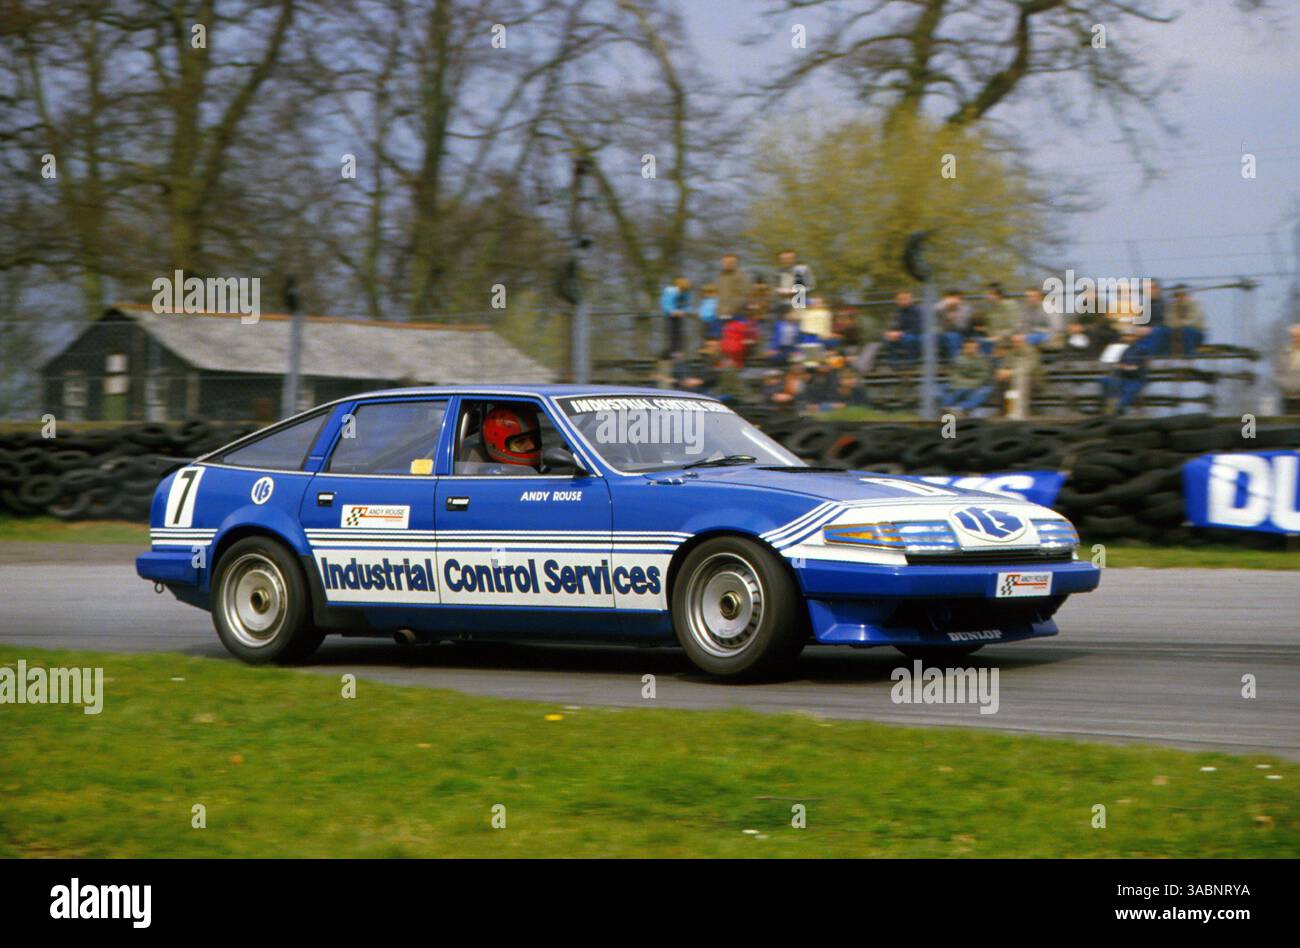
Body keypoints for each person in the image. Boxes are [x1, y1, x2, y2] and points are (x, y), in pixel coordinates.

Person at [1101, 331, 1150, 414]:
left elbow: (1136, 367)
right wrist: (1119, 366)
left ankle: (1118, 409)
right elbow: (1120, 364)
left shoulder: (1141, 349)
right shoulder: (1125, 350)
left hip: (1136, 378)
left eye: (1129, 336)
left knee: (1130, 389)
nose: (1125, 338)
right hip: (1123, 376)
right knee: (1105, 380)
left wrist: (1123, 367)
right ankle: (1108, 405)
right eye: (1125, 336)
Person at [997, 333, 1044, 419]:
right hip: (1014, 379)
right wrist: (1002, 371)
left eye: (1019, 341)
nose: (1016, 344)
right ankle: (1011, 412)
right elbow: (1005, 366)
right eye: (1014, 342)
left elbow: (1029, 368)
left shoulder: (1032, 352)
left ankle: (1020, 412)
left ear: (1025, 342)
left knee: (1021, 379)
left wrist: (1012, 372)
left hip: (1032, 379)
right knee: (1007, 382)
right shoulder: (1011, 352)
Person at [482, 405, 541, 470]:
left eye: (533, 438)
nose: (532, 446)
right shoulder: (492, 478)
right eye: (521, 442)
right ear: (496, 446)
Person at [944, 338, 994, 414]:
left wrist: (970, 385)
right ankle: (945, 408)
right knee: (951, 390)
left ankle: (961, 408)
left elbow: (983, 377)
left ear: (977, 349)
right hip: (960, 385)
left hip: (976, 386)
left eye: (973, 348)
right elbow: (955, 375)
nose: (971, 350)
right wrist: (965, 385)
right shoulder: (958, 359)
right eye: (968, 348)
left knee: (983, 392)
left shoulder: (983, 360)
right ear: (964, 348)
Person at [883, 290, 923, 365]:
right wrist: (889, 333)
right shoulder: (896, 312)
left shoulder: (917, 311)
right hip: (899, 336)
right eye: (900, 299)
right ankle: (894, 364)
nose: (903, 301)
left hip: (913, 335)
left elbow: (917, 328)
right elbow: (890, 326)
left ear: (911, 299)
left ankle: (911, 363)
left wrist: (900, 333)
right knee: (887, 339)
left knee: (909, 339)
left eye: (905, 298)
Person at [1168, 284, 1207, 355]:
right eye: (1176, 296)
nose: (1179, 298)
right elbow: (1169, 322)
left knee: (1187, 331)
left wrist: (1178, 324)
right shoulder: (1171, 306)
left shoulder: (1195, 304)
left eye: (1182, 295)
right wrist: (1180, 324)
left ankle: (1188, 356)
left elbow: (1192, 322)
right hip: (1176, 333)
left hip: (1195, 333)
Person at [659, 277, 692, 360]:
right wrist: (672, 311)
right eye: (683, 290)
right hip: (670, 316)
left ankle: (678, 351)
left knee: (679, 332)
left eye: (685, 290)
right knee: (672, 333)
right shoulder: (670, 292)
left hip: (679, 315)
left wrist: (684, 311)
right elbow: (665, 304)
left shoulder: (686, 293)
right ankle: (671, 352)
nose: (684, 292)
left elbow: (687, 305)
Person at [936, 288, 971, 360]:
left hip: (959, 333)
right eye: (950, 298)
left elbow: (962, 327)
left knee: (952, 337)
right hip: (942, 333)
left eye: (956, 298)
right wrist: (945, 305)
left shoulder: (965, 309)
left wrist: (954, 320)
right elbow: (935, 309)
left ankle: (954, 363)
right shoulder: (941, 307)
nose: (953, 301)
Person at [716, 254, 751, 323]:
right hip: (721, 314)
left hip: (736, 314)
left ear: (736, 263)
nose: (728, 264)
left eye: (731, 262)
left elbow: (746, 295)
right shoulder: (721, 276)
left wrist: (731, 308)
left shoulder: (741, 276)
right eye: (725, 262)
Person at [1276, 324, 1300, 413]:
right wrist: (1285, 388)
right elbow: (1279, 374)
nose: (1297, 339)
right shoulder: (1284, 353)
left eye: (1299, 336)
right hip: (1287, 399)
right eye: (1295, 336)